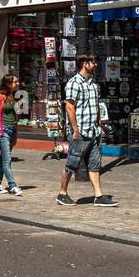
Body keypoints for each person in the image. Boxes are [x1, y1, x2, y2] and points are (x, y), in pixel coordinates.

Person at [57, 54, 116, 207]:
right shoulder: (74, 83)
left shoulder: (93, 83)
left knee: (95, 164)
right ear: (84, 63)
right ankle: (62, 193)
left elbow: (95, 104)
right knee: (72, 163)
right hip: (80, 131)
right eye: (93, 62)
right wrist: (75, 130)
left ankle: (98, 195)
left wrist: (99, 123)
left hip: (93, 131)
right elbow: (69, 107)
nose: (95, 64)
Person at [0, 74, 22, 196]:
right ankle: (12, 185)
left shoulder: (11, 97)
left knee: (4, 159)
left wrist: (19, 106)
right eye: (15, 82)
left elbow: (17, 115)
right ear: (9, 84)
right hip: (3, 130)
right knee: (7, 160)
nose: (18, 84)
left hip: (12, 129)